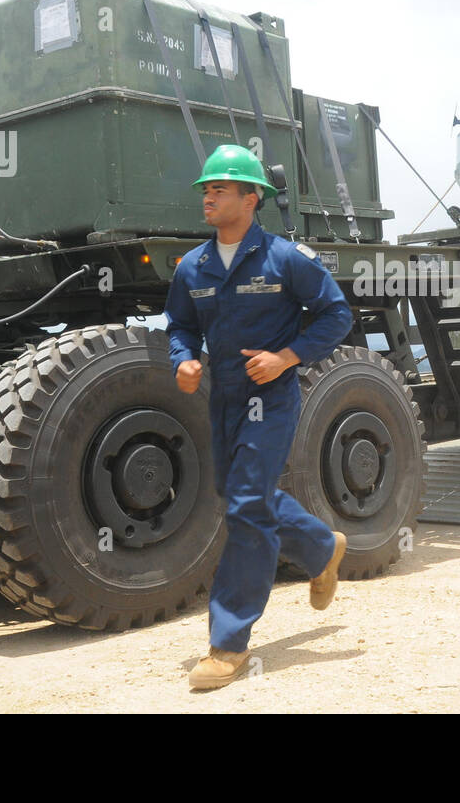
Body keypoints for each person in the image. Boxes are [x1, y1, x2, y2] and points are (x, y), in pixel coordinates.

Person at [165, 144, 354, 691]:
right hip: (222, 398)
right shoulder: (192, 266)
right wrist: (184, 359)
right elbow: (179, 324)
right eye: (206, 189)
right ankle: (322, 546)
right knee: (242, 494)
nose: (209, 196)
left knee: (246, 505)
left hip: (269, 399)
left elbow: (335, 313)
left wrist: (288, 356)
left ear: (251, 199)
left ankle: (228, 643)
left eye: (220, 189)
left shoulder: (285, 259)